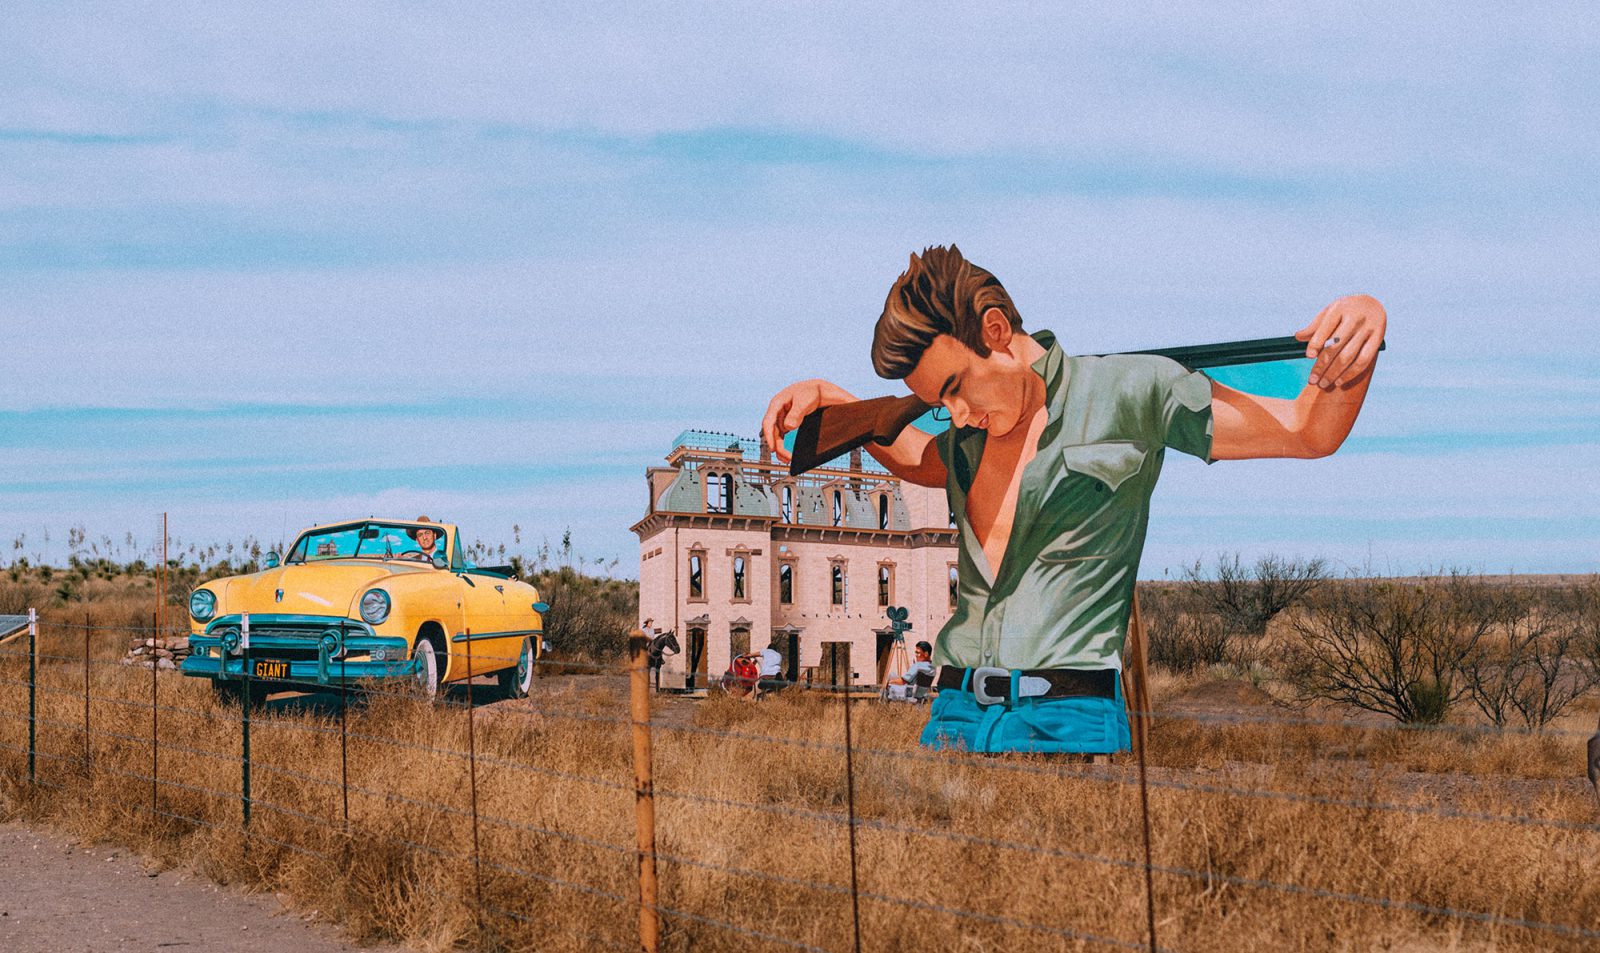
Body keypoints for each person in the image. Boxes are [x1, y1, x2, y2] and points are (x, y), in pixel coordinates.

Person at [762, 245, 1384, 753]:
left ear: (996, 331)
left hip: (1069, 723)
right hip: (952, 718)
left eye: (956, 387)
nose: (957, 413)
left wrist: (1362, 319)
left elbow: (1306, 430)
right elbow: (910, 454)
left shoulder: (1131, 391)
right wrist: (833, 399)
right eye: (939, 404)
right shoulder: (964, 442)